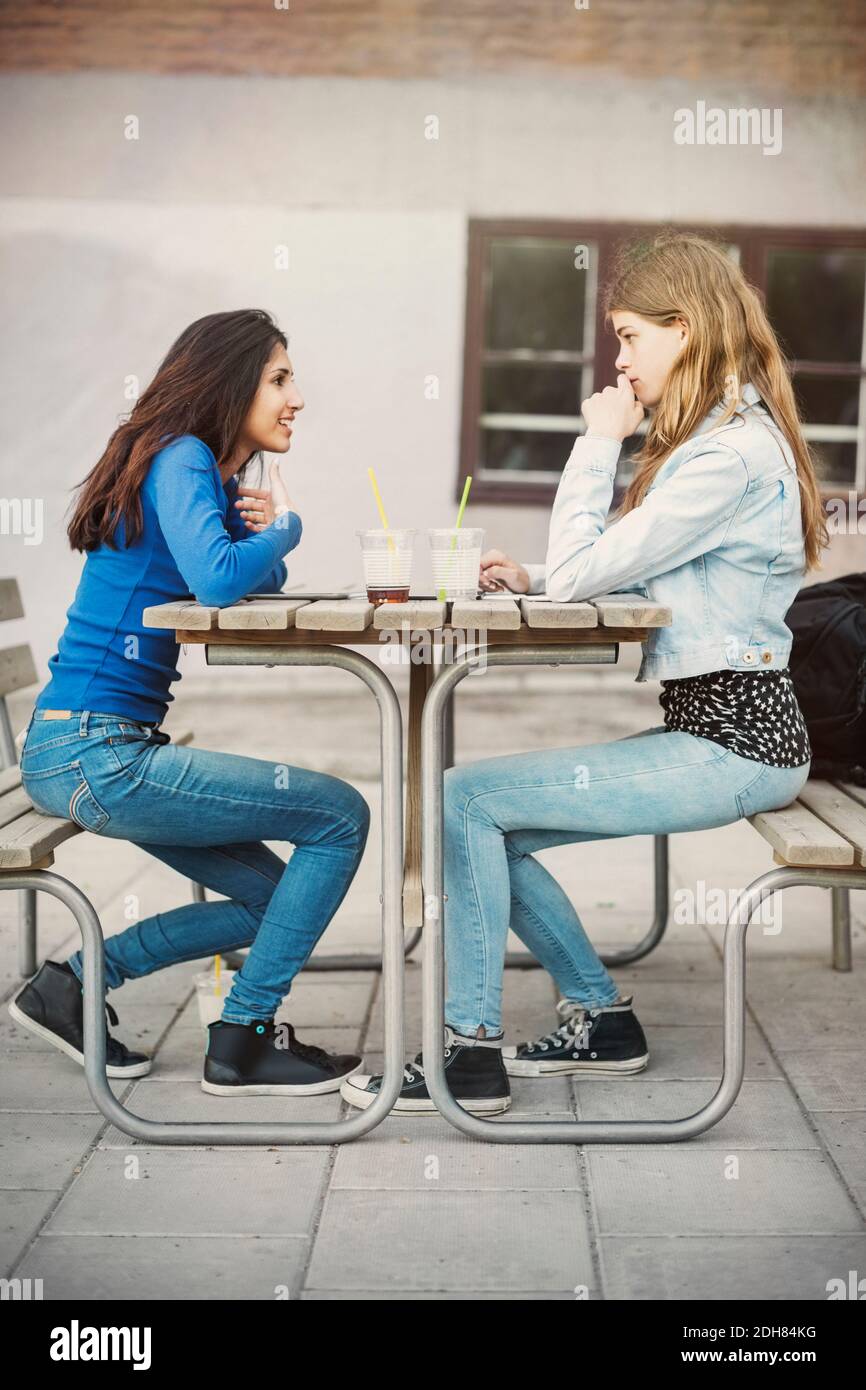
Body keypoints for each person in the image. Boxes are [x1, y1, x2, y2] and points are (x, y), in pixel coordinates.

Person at [343, 231, 824, 1116]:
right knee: (482, 817)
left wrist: (596, 443)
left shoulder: (724, 455)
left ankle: (469, 1055)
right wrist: (534, 574)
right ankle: (600, 1021)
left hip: (737, 743)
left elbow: (582, 574)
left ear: (685, 329)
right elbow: (639, 570)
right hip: (723, 730)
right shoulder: (725, 441)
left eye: (630, 336)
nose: (619, 359)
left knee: (463, 801)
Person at [11, 310, 369, 1097]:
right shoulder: (181, 457)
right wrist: (293, 528)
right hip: (95, 756)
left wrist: (260, 537)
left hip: (83, 745)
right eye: (279, 379)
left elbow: (243, 581)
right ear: (230, 381)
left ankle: (71, 984)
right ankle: (241, 1040)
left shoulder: (196, 469)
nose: (296, 397)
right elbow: (215, 582)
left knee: (275, 898)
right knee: (341, 817)